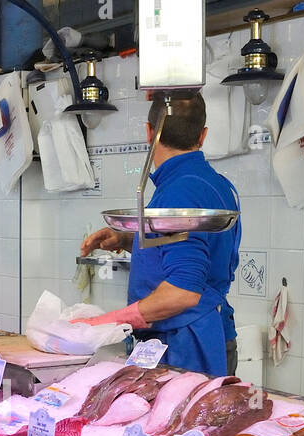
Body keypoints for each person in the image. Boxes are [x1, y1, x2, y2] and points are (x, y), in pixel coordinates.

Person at [78, 91, 242, 377]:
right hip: (208, 333)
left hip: (187, 346)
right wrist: (129, 240)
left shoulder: (179, 193)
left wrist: (107, 323)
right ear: (202, 136)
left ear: (149, 132)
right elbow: (191, 249)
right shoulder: (217, 184)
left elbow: (182, 292)